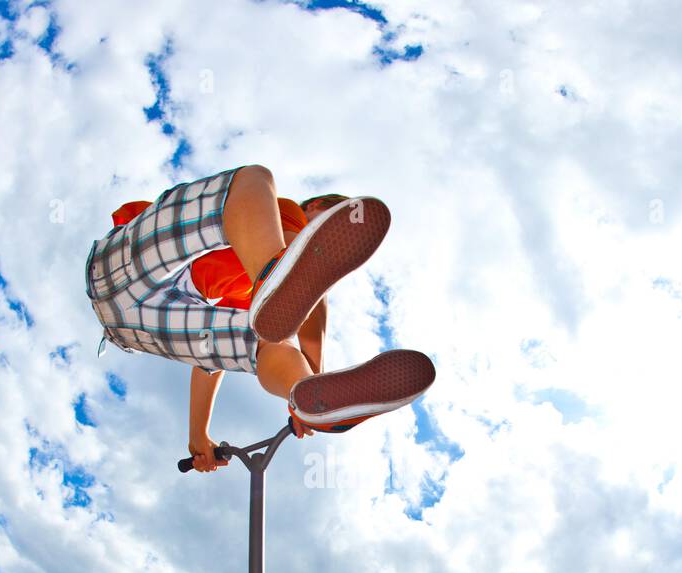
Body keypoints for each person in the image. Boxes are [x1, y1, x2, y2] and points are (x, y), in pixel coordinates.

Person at [84, 165, 435, 472]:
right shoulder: (284, 212)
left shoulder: (257, 302)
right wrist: (316, 368)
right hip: (123, 272)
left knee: (266, 342)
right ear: (315, 208)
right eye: (331, 221)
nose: (331, 239)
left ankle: (305, 394)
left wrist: (198, 437)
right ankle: (303, 385)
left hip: (137, 324)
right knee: (254, 181)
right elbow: (311, 287)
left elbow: (209, 359)